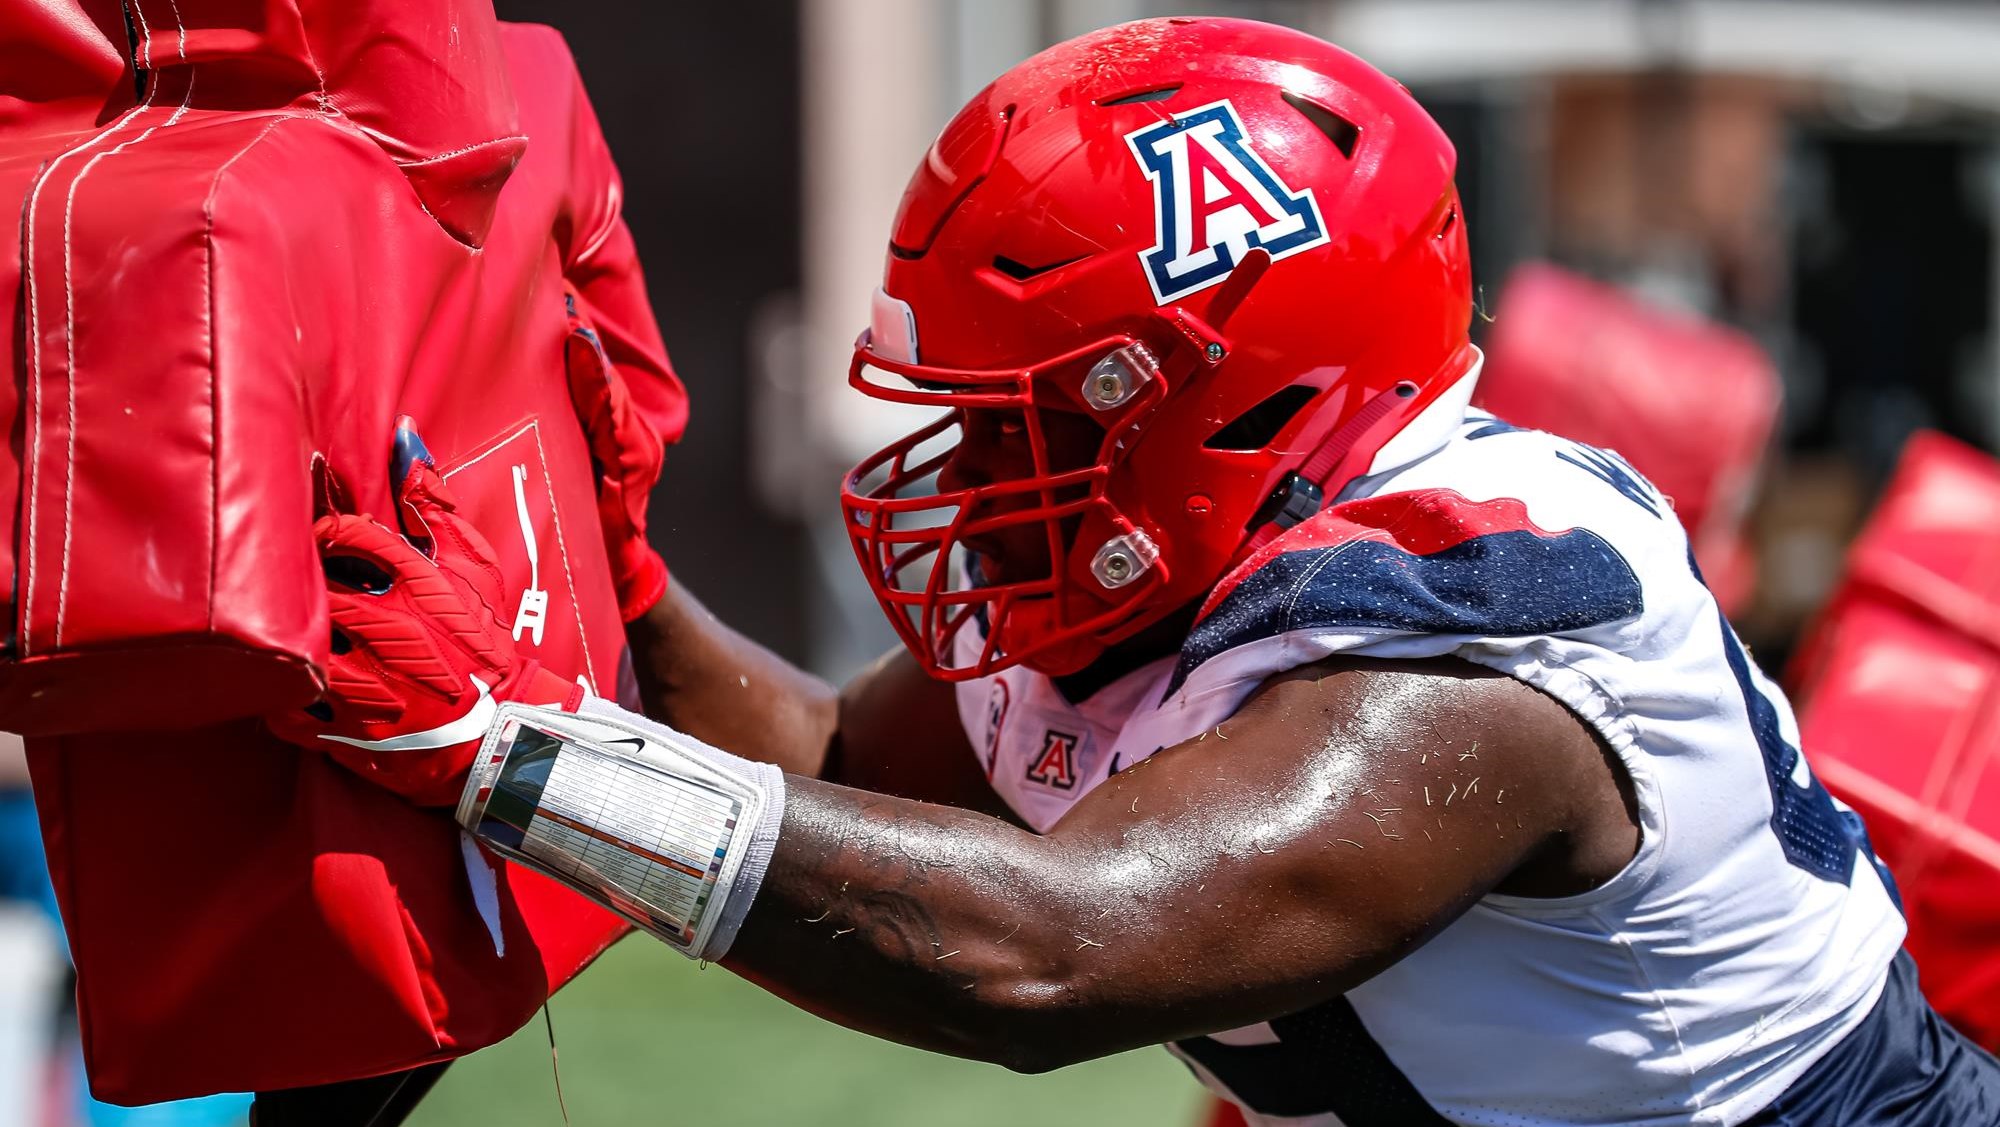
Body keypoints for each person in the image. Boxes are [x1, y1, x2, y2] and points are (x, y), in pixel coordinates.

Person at [273, 18, 1999, 1126]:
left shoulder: (1459, 655)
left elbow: (1060, 955)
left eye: (1020, 420)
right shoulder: (1204, 550)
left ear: (1225, 404)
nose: (962, 474)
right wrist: (613, 567)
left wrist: (521, 759)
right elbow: (837, 778)